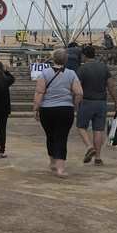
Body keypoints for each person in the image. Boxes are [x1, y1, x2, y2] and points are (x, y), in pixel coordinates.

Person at [33, 48, 83, 178]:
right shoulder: (71, 74)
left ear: (53, 59)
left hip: (47, 109)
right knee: (61, 137)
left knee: (50, 135)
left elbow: (39, 92)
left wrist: (36, 108)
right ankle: (61, 168)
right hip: (65, 109)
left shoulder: (44, 73)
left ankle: (52, 162)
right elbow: (79, 93)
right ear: (66, 60)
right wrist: (75, 105)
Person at [76, 45, 117, 166]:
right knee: (98, 130)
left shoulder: (82, 69)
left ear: (84, 55)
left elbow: (78, 89)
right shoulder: (103, 67)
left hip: (87, 101)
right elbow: (111, 86)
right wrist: (116, 102)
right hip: (101, 103)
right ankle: (98, 158)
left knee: (80, 126)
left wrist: (76, 103)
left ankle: (89, 147)